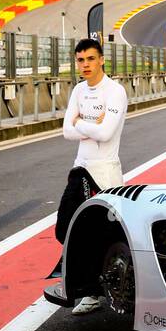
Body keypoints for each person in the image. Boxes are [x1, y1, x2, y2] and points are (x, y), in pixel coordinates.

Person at [50, 38, 129, 314]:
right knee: (64, 228)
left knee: (104, 233)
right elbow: (66, 131)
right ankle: (89, 285)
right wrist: (91, 125)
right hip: (80, 168)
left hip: (105, 172)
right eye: (80, 60)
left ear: (102, 60)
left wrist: (79, 124)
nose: (85, 65)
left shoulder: (115, 92)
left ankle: (95, 292)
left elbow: (106, 133)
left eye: (90, 59)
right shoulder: (78, 91)